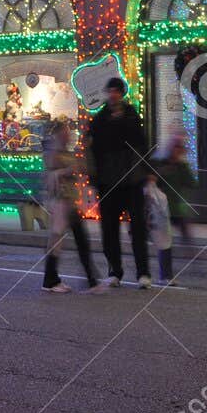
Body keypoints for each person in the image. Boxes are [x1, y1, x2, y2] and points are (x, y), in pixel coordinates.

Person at [88, 77, 153, 288]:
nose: (114, 94)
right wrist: (94, 178)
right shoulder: (99, 120)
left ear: (122, 94)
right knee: (109, 229)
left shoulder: (132, 116)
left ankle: (143, 273)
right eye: (111, 91)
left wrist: (147, 172)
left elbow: (143, 145)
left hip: (132, 179)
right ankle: (115, 271)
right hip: (108, 181)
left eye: (117, 91)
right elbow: (93, 151)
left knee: (138, 228)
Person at [40, 119, 101, 293]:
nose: (68, 135)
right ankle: (51, 280)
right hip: (60, 202)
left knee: (80, 240)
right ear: (58, 134)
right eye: (65, 132)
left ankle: (91, 280)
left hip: (70, 202)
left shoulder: (66, 152)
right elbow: (50, 174)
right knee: (58, 240)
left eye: (68, 132)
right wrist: (68, 171)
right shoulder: (53, 153)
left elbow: (81, 169)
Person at [151, 136, 197, 287]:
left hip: (177, 209)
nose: (178, 152)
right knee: (165, 243)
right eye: (176, 148)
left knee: (186, 238)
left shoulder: (181, 166)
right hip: (163, 209)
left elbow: (191, 183)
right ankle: (165, 275)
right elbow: (153, 182)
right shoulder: (161, 164)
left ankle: (194, 266)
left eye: (180, 149)